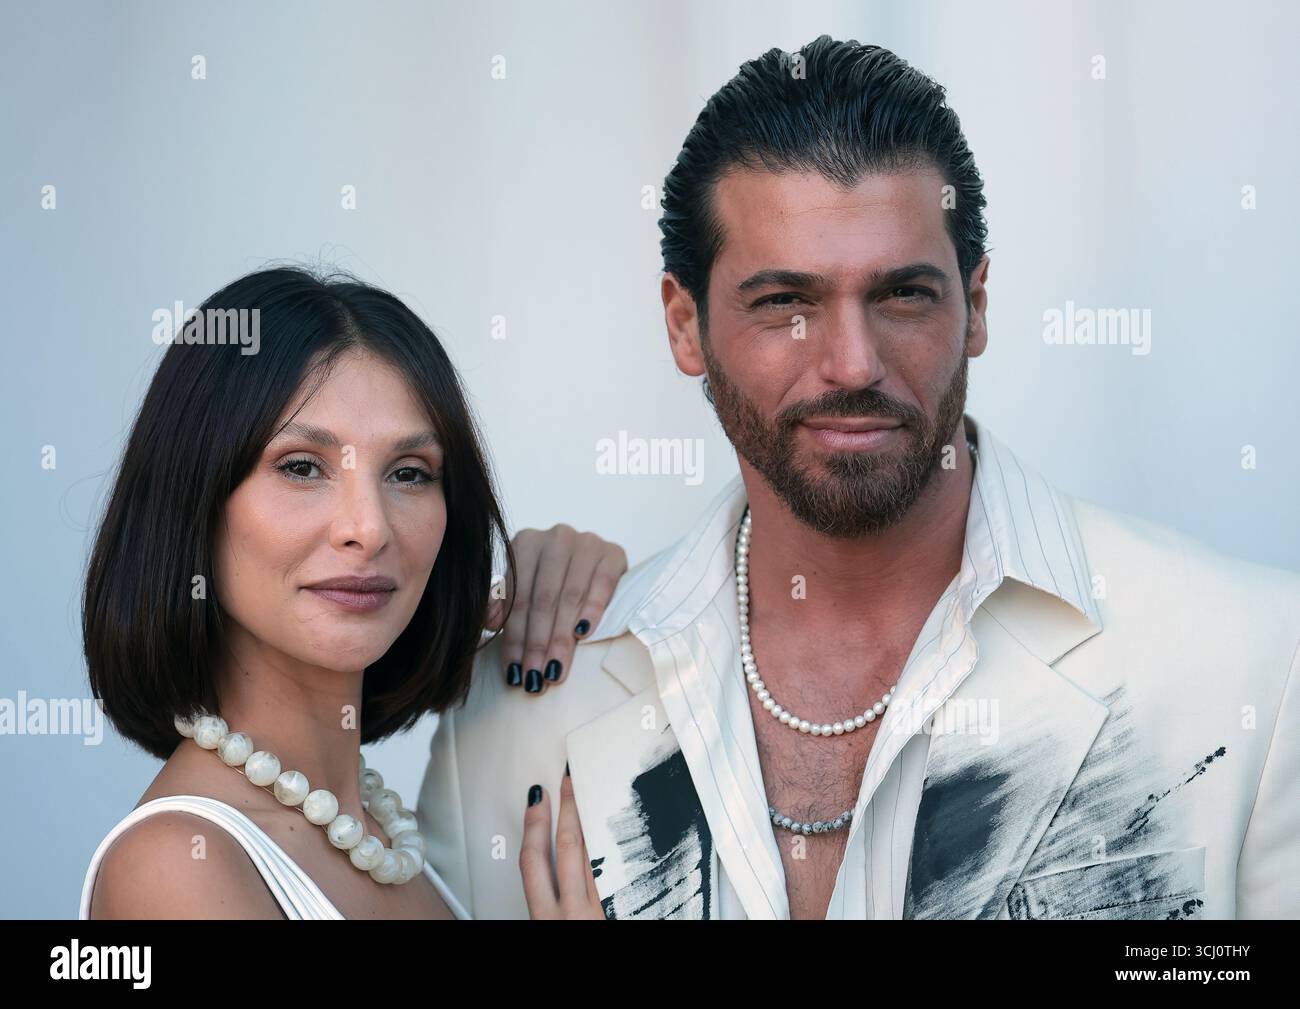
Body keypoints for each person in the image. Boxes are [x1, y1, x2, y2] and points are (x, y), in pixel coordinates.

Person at [419, 36, 1300, 919]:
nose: (851, 362)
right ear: (685, 324)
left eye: (902, 294)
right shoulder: (512, 726)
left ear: (975, 306)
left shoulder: (1259, 667)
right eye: (784, 302)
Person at [78, 265, 627, 920]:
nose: (369, 529)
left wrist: (576, 579)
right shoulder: (178, 862)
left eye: (408, 473)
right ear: (193, 498)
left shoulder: (395, 849)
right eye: (301, 467)